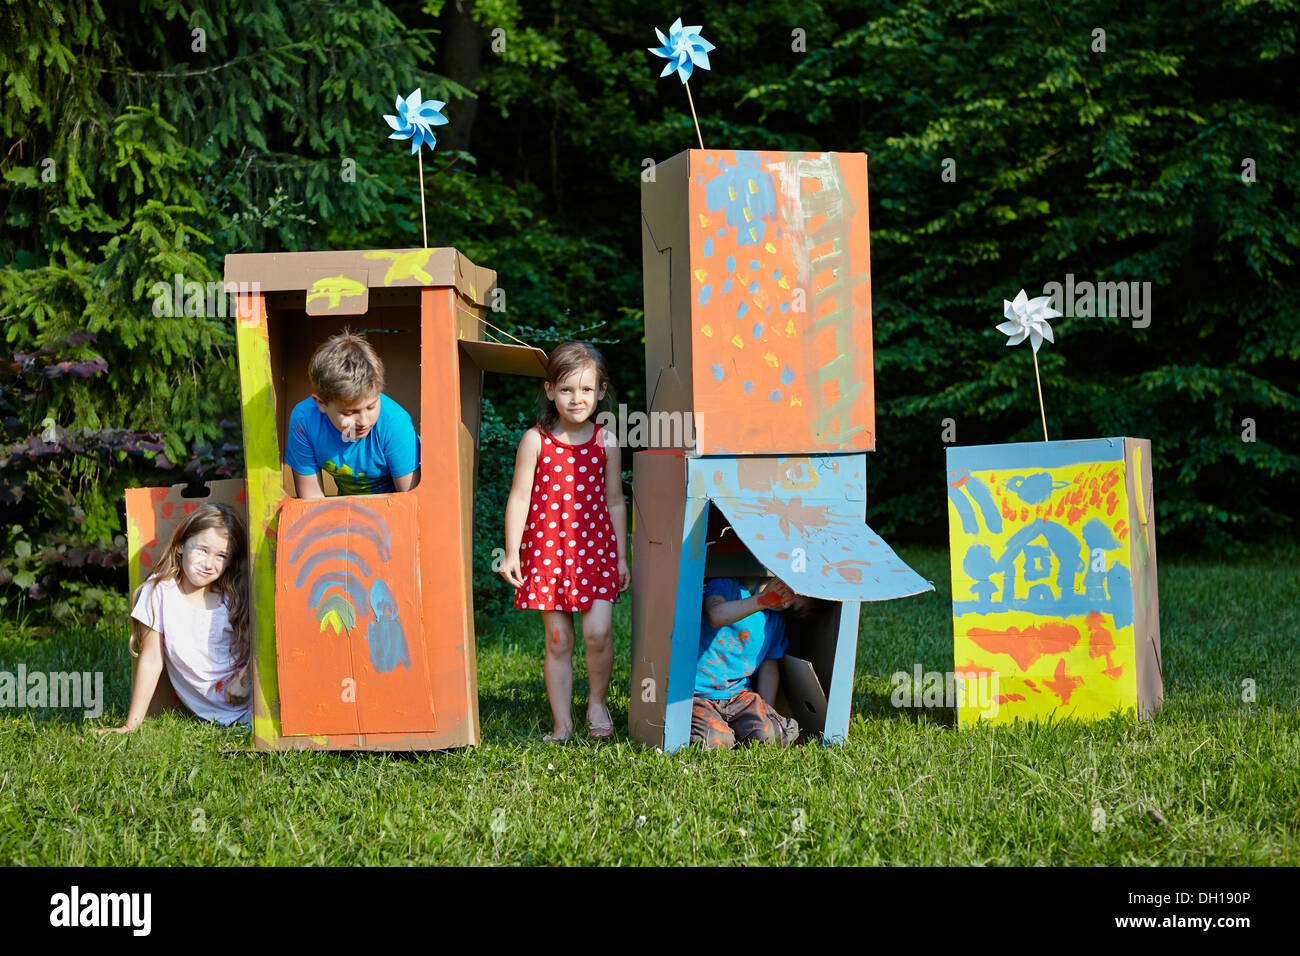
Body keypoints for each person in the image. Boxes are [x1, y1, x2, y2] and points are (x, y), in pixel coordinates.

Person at [499, 341, 630, 742]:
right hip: (548, 552)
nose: (577, 399)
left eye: (586, 390)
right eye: (568, 389)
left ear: (601, 392)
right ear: (550, 389)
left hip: (597, 551)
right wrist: (510, 552)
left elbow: (614, 499)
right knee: (558, 639)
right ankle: (562, 723)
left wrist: (622, 557)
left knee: (598, 633)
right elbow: (519, 496)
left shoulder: (607, 442)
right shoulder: (535, 441)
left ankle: (596, 702)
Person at [98, 503, 251, 733]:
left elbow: (262, 644)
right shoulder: (159, 592)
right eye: (202, 550)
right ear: (180, 546)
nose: (209, 564)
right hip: (217, 714)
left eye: (221, 555)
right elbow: (151, 660)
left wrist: (246, 678)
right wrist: (130, 726)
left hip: (252, 705)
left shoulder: (232, 596)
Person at [285, 328, 419, 498]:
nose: (363, 421)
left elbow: (411, 500)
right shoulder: (304, 421)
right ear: (321, 403)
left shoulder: (395, 423)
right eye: (349, 413)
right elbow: (311, 500)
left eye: (371, 406)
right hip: (347, 510)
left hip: (393, 509)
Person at [691, 575, 806, 749]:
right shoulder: (728, 585)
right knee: (716, 741)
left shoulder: (775, 618)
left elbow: (769, 667)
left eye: (793, 607)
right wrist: (762, 600)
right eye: (789, 594)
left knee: (770, 734)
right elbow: (716, 615)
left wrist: (766, 711)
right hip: (698, 694)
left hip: (738, 696)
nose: (786, 604)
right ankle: (722, 733)